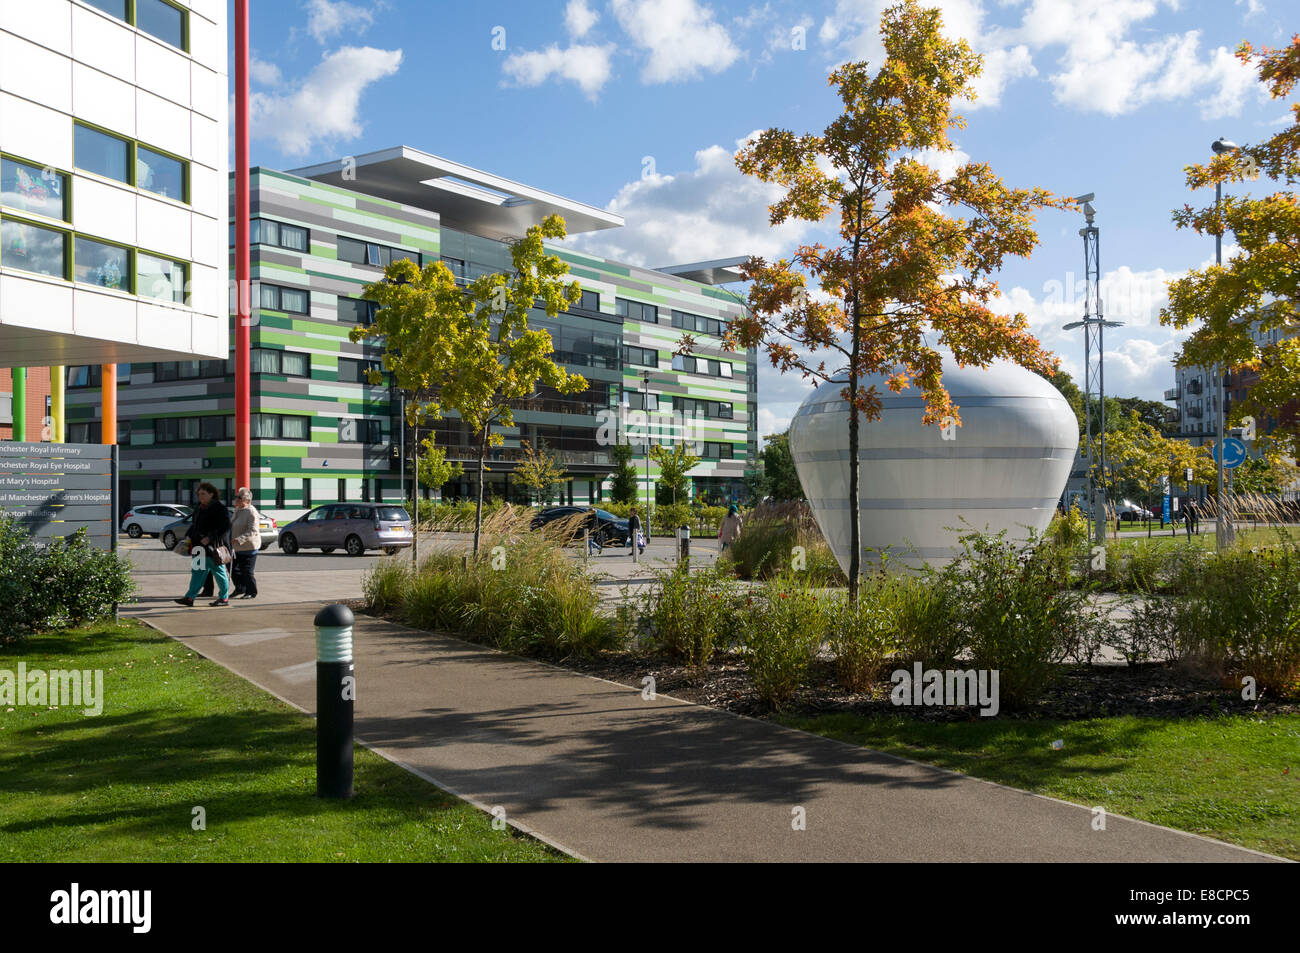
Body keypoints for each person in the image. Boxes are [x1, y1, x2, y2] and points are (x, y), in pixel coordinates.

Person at [174, 482, 232, 607]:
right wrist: (188, 535)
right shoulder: (199, 507)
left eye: (203, 494)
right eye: (199, 494)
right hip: (198, 546)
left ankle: (224, 598)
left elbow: (225, 527)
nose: (200, 497)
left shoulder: (219, 508)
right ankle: (189, 598)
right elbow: (194, 525)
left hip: (213, 548)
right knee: (197, 572)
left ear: (211, 494)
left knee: (219, 572)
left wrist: (210, 537)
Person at [230, 487, 262, 600]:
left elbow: (253, 530)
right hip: (237, 547)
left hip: (248, 547)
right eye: (236, 496)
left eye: (240, 497)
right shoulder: (237, 510)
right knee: (234, 569)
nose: (236, 499)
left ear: (247, 501)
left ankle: (251, 591)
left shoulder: (251, 511)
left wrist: (239, 539)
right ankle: (239, 588)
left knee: (247, 571)